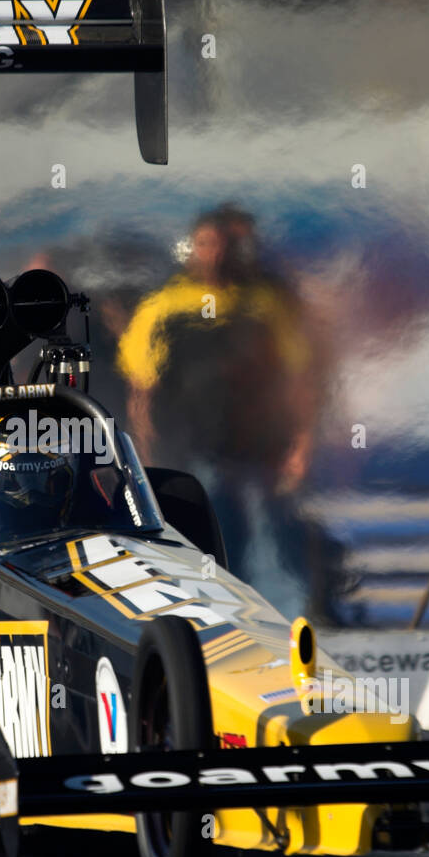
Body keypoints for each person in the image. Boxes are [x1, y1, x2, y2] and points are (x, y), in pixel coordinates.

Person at [116, 205, 324, 616]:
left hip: (262, 444)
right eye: (206, 245)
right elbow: (142, 388)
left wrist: (301, 444)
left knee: (286, 529)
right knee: (221, 533)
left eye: (225, 246)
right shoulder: (163, 306)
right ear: (192, 249)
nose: (215, 254)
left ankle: (315, 613)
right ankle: (226, 614)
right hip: (195, 446)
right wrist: (145, 451)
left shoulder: (266, 302)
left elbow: (298, 378)